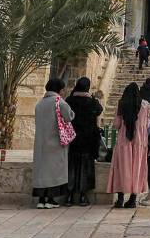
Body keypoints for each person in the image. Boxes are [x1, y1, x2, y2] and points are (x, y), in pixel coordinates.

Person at [31, 77, 73, 209]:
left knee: (42, 171)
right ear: (60, 90)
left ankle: (41, 199)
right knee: (54, 172)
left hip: (41, 143)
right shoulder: (59, 102)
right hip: (55, 142)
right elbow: (70, 116)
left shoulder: (40, 104)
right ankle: (50, 199)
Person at [109, 83, 148, 209]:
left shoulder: (122, 104)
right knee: (136, 169)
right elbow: (147, 124)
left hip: (124, 142)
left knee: (122, 169)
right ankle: (132, 199)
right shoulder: (145, 105)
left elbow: (116, 124)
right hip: (139, 142)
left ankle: (120, 199)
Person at [65, 78, 101, 206]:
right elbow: (99, 110)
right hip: (88, 140)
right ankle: (82, 196)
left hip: (73, 140)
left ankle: (68, 196)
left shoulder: (69, 101)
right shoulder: (92, 102)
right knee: (85, 168)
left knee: (71, 166)